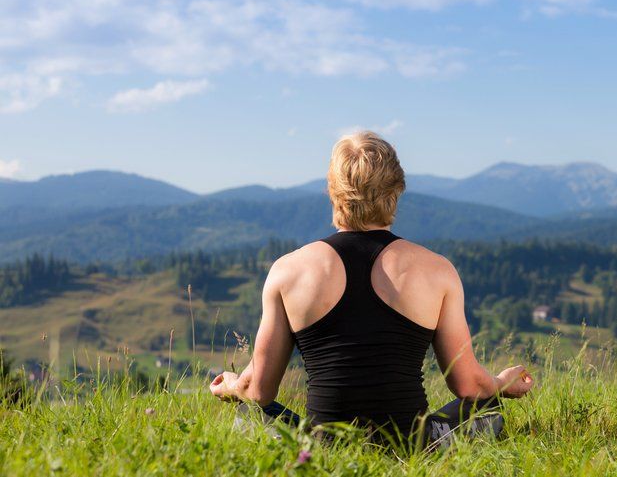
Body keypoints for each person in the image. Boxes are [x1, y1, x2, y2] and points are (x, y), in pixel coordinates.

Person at [209, 131, 534, 449]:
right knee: (486, 405)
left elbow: (259, 390)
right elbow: (468, 385)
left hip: (322, 446)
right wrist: (501, 383)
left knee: (250, 410)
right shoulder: (437, 270)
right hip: (413, 444)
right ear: (397, 189)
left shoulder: (288, 270)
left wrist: (233, 385)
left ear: (332, 190)